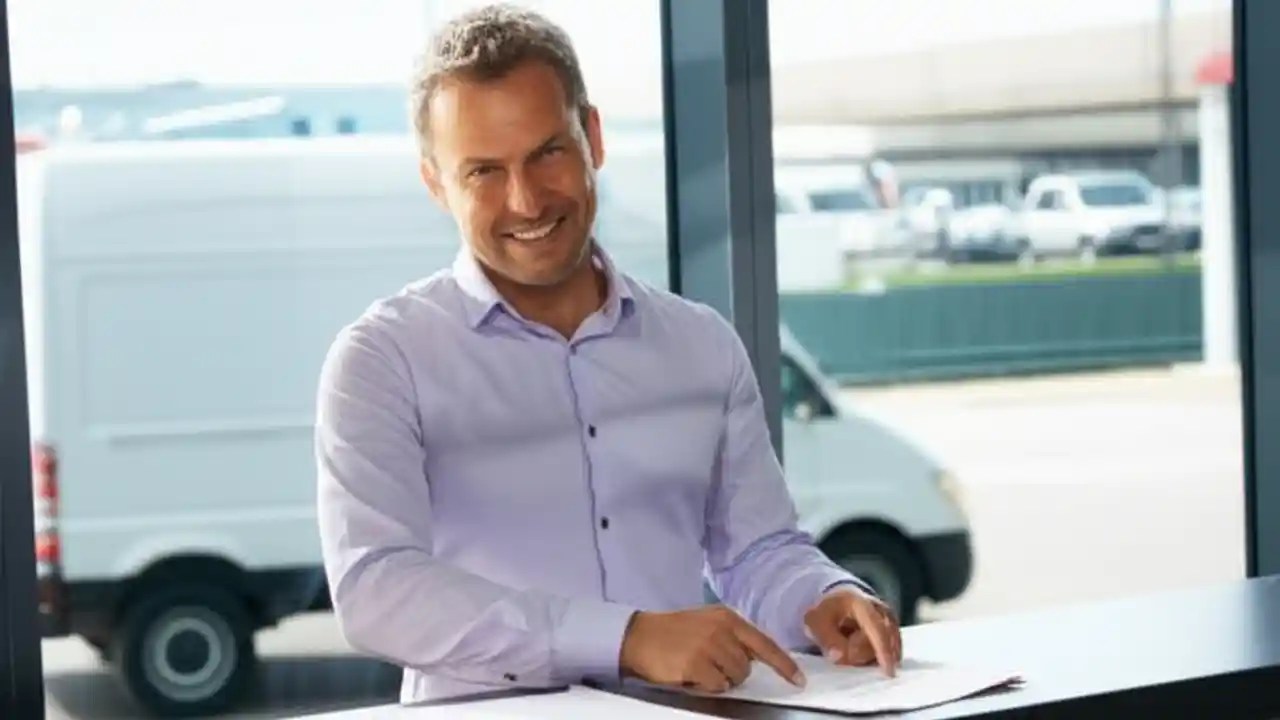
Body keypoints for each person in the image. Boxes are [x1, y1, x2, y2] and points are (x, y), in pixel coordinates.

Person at [315, 3, 902, 705]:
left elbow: (758, 550)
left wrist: (821, 595)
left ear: (591, 137)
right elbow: (377, 588)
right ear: (436, 183)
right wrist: (624, 637)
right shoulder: (382, 361)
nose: (526, 200)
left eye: (547, 153)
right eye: (483, 173)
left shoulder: (701, 344)